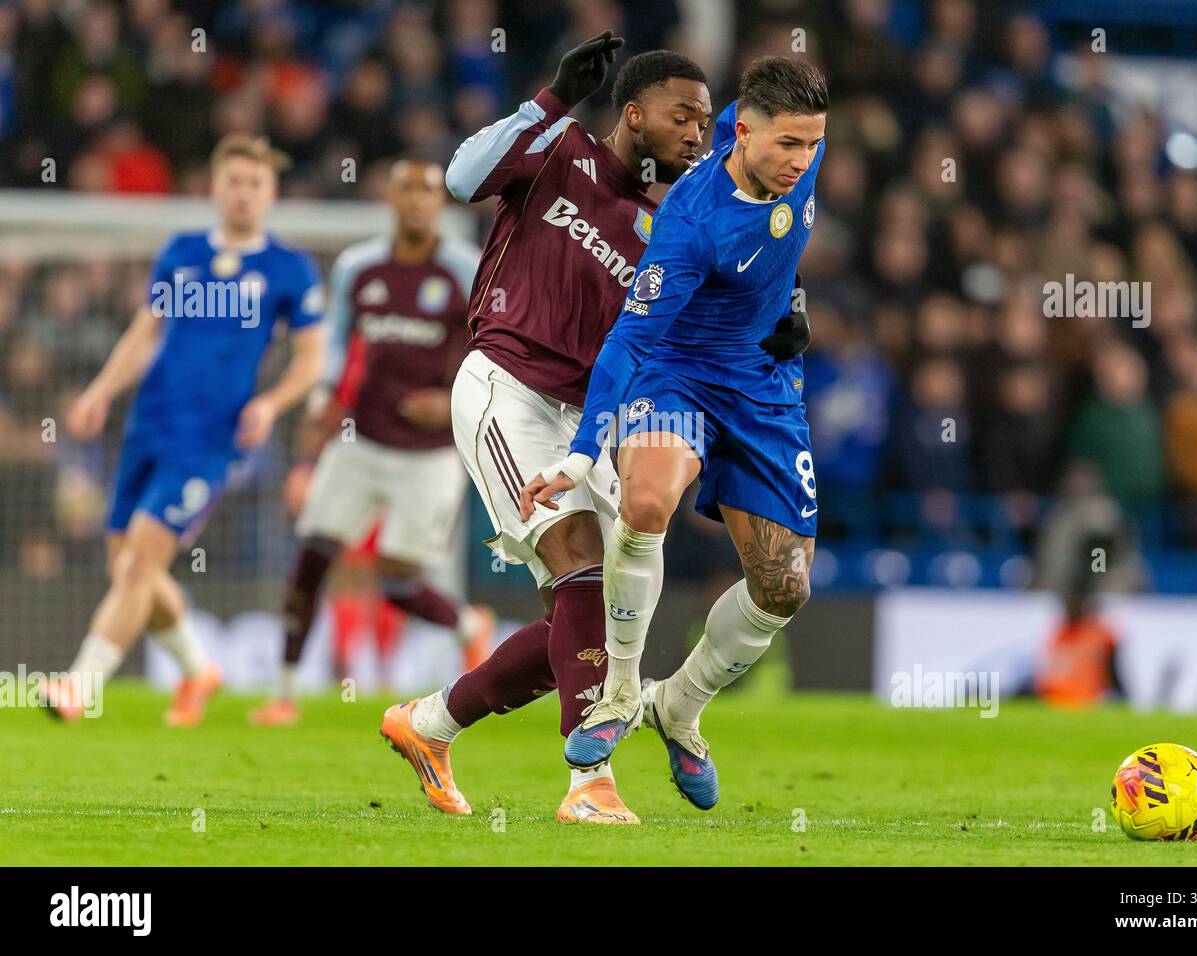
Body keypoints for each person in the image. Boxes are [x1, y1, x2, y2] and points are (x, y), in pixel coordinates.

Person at [378, 33, 711, 824]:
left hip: (579, 427)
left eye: (705, 123)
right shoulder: (559, 147)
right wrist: (550, 95)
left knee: (584, 614)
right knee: (586, 575)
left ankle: (429, 724)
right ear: (633, 112)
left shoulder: (664, 226)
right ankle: (588, 788)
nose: (697, 133)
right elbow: (461, 179)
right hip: (505, 387)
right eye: (684, 116)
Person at [522, 56, 828, 811]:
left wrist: (790, 296)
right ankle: (621, 692)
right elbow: (628, 342)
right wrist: (583, 452)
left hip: (762, 386)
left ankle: (678, 707)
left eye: (813, 145)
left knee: (784, 587)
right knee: (648, 501)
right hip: (679, 375)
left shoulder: (781, 143)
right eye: (788, 145)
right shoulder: (691, 223)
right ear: (746, 133)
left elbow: (777, 245)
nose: (802, 161)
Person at [44, 134, 325, 725]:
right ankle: (199, 668)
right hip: (148, 424)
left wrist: (272, 404)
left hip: (210, 439)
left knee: (140, 565)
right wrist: (99, 390)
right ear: (215, 187)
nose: (243, 193)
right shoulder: (182, 252)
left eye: (255, 183)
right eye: (234, 181)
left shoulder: (287, 269)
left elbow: (311, 362)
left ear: (270, 193)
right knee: (124, 563)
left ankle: (80, 684)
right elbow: (146, 333)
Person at [248, 159, 493, 727]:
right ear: (390, 198)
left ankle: (467, 626)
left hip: (430, 453)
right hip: (359, 441)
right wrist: (322, 401)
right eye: (406, 188)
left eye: (428, 190)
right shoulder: (359, 267)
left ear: (442, 202)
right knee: (313, 555)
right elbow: (336, 342)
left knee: (397, 578)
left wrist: (450, 396)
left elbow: (492, 348)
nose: (416, 199)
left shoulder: (464, 269)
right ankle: (283, 693)